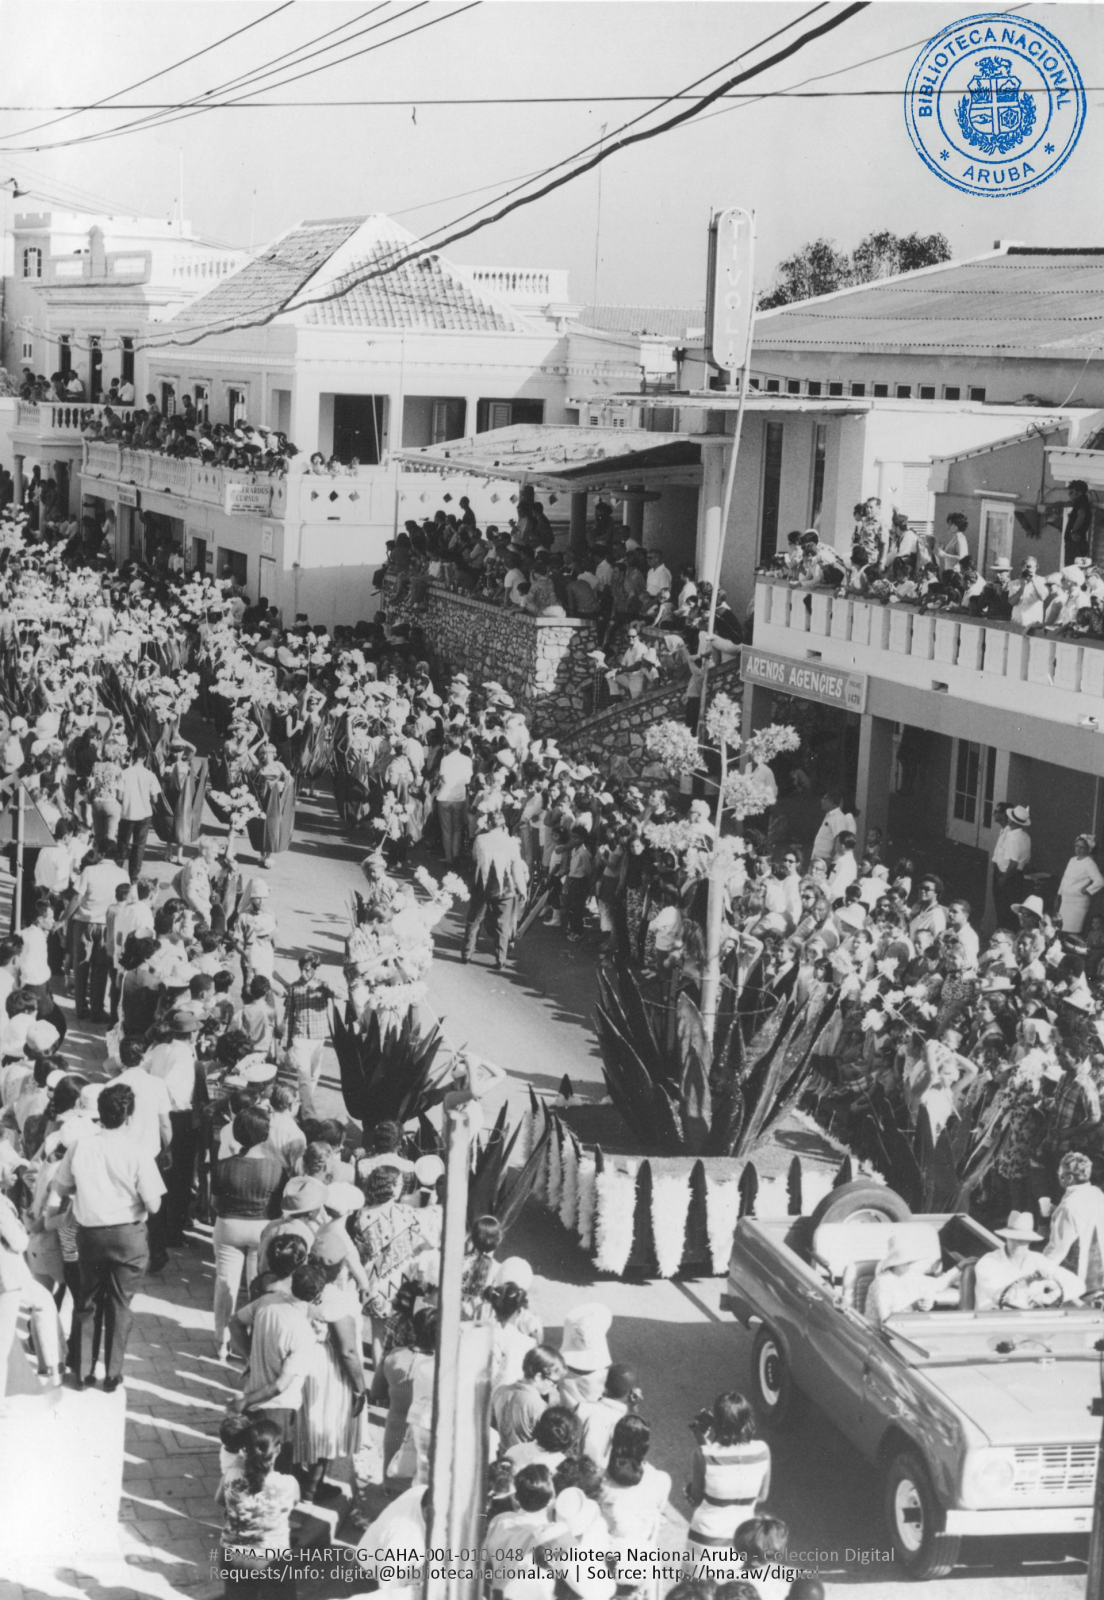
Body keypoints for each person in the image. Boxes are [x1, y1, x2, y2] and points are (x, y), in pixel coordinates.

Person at [50, 1080, 165, 1389]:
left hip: (90, 1236)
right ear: (128, 1117)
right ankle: (113, 1372)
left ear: (99, 1113)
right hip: (128, 1238)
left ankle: (84, 1370)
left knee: (87, 1302)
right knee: (119, 1303)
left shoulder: (79, 1146)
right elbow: (153, 1205)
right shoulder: (138, 1152)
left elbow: (61, 1188)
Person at [211, 1107, 287, 1359]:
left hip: (229, 1228)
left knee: (225, 1283)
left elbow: (214, 1202)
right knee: (257, 1287)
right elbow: (278, 1207)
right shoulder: (276, 1168)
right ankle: (254, 1341)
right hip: (262, 1229)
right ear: (265, 1135)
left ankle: (221, 1342)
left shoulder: (223, 1166)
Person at [216, 1414, 302, 1599]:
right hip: (271, 1558)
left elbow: (219, 1499)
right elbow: (291, 1504)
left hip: (233, 1554)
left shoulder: (231, 1475)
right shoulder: (289, 1483)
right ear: (277, 1449)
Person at [685, 1393, 770, 1567]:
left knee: (693, 1592)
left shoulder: (703, 1455)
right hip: (742, 1542)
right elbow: (761, 1496)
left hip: (705, 1540)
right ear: (747, 1420)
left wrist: (689, 1492)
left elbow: (697, 1497)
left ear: (717, 1422)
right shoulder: (762, 1451)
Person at [974, 1210, 1085, 1310]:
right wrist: (1030, 1282)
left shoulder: (1038, 1260)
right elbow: (1000, 1294)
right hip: (995, 1319)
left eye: (1022, 1239)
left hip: (1030, 1321)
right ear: (1006, 1237)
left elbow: (1078, 1285)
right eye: (1012, 1238)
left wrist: (1049, 1296)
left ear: (1029, 1241)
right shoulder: (988, 1262)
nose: (1017, 1243)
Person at [462, 810, 529, 971]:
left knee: (475, 919)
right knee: (502, 924)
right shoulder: (511, 842)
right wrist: (522, 890)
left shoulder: (480, 839)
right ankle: (500, 959)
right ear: (503, 825)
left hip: (483, 885)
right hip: (504, 888)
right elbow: (517, 868)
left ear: (489, 824)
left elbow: (475, 857)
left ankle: (467, 954)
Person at [279, 952, 335, 1121]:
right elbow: (288, 1014)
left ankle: (303, 1104)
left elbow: (340, 994)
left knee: (314, 1074)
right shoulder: (294, 987)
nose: (304, 973)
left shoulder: (323, 987)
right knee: (303, 1075)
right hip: (300, 1036)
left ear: (316, 969)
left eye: (308, 970)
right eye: (302, 969)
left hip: (318, 1037)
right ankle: (308, 1115)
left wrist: (327, 985)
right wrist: (285, 1038)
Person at [863, 1232, 958, 1327]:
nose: (911, 1266)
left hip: (908, 1328)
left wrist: (959, 1267)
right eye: (907, 1262)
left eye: (912, 1262)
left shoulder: (912, 1276)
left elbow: (938, 1285)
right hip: (879, 1334)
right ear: (895, 1263)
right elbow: (887, 1320)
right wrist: (912, 1306)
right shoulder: (882, 1283)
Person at [1044, 1151, 1104, 1294]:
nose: (1058, 1176)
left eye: (1060, 1173)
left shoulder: (1069, 1206)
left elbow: (1057, 1250)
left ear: (1069, 1178)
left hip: (1078, 1281)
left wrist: (1037, 1271)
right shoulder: (1098, 1194)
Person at [117, 749, 163, 880]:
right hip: (144, 815)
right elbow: (155, 799)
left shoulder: (124, 773)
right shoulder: (150, 775)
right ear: (145, 758)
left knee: (122, 844)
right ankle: (133, 876)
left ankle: (117, 871)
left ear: (132, 757)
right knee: (139, 846)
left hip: (127, 814)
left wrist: (127, 803)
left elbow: (119, 796)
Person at [434, 734, 474, 864]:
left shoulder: (445, 760)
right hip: (459, 797)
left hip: (445, 797)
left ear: (448, 745)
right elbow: (468, 780)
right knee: (457, 828)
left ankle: (449, 857)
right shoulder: (467, 760)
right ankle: (456, 854)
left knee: (446, 829)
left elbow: (444, 778)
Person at [992, 804, 1031, 930]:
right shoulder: (1025, 836)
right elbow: (1026, 859)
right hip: (1015, 877)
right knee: (1008, 913)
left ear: (1011, 820)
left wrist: (1003, 879)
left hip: (1008, 877)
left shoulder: (1014, 838)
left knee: (1004, 913)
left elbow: (1013, 863)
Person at [1056, 834, 1104, 934]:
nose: (1079, 849)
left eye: (1082, 847)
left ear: (1088, 849)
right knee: (1061, 928)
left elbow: (1100, 881)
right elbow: (1065, 879)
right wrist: (1058, 895)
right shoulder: (1072, 860)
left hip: (1078, 903)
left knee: (1072, 932)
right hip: (1066, 901)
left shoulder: (1089, 863)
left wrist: (1085, 891)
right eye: (1077, 846)